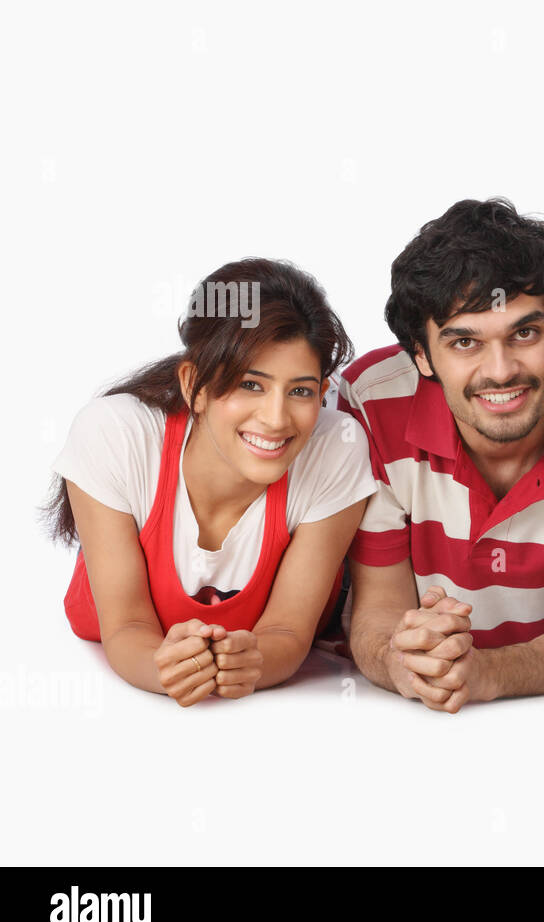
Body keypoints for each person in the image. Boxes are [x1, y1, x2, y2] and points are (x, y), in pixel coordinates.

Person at [340, 198, 544, 713]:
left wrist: (488, 673)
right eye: (464, 342)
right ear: (420, 354)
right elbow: (377, 609)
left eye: (524, 333)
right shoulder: (371, 403)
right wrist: (400, 661)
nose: (500, 371)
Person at [46, 258, 375, 706]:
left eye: (300, 391)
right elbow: (126, 626)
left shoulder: (335, 445)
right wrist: (163, 668)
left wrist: (255, 661)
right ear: (194, 384)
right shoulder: (115, 435)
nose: (276, 419)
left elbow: (288, 629)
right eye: (250, 385)